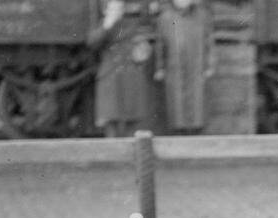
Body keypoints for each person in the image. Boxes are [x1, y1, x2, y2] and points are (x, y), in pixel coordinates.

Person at [87, 0, 158, 138]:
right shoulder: (103, 25)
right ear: (106, 9)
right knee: (111, 124)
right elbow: (92, 43)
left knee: (131, 124)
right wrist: (107, 25)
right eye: (112, 8)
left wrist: (143, 50)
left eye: (118, 8)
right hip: (110, 78)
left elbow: (145, 45)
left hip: (130, 77)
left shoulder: (133, 24)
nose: (116, 10)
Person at [155, 0, 215, 134]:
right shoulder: (165, 18)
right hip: (174, 67)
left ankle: (195, 133)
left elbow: (209, 42)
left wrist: (210, 65)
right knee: (176, 104)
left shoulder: (202, 16)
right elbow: (160, 45)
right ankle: (178, 133)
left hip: (196, 65)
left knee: (197, 103)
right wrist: (159, 67)